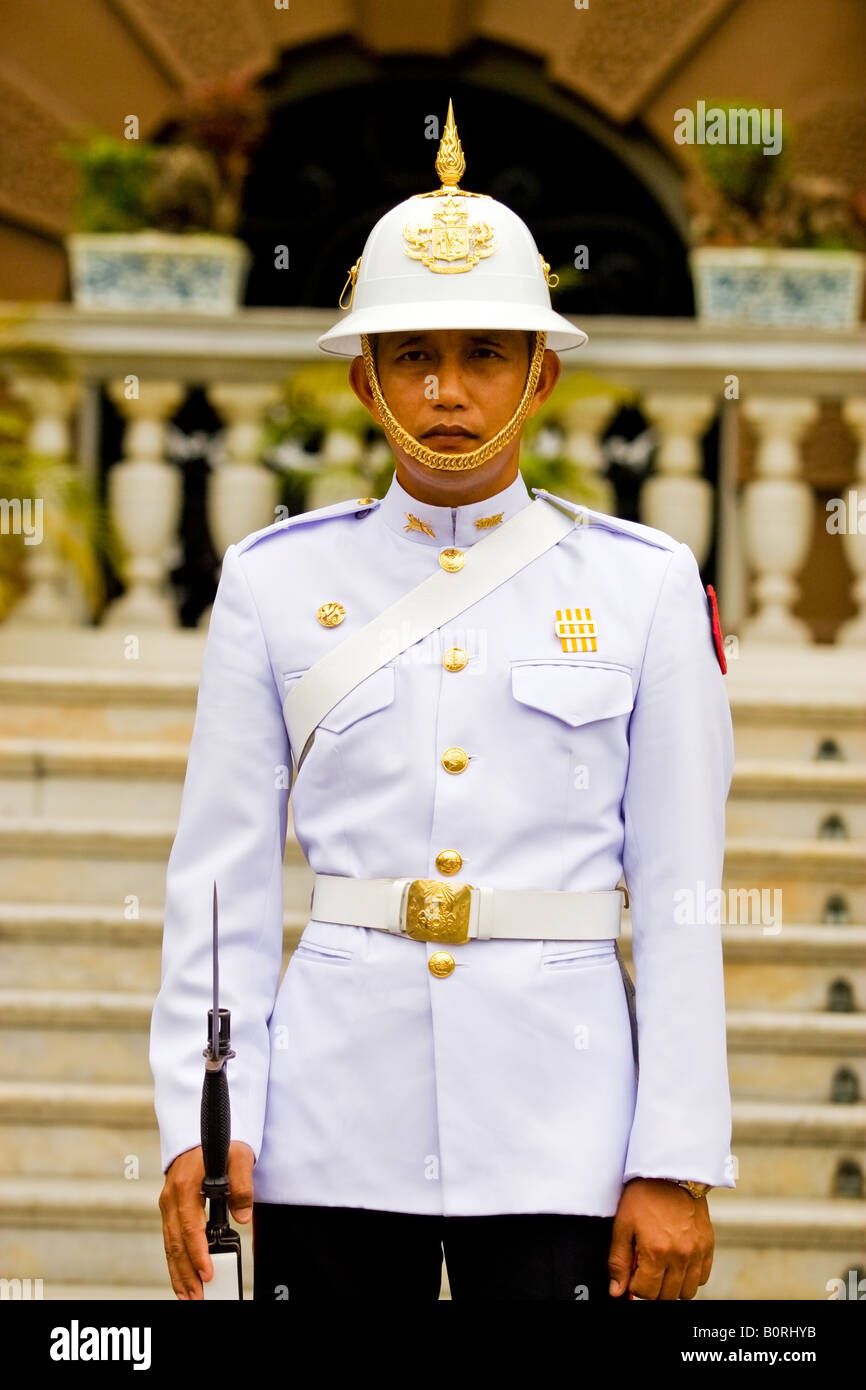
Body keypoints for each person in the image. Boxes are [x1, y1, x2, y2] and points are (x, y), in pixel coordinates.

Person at [151, 102, 735, 1302]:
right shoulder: (276, 581)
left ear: (538, 372)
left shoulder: (643, 585)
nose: (447, 391)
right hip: (328, 1126)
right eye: (414, 356)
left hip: (560, 1132)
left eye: (482, 355)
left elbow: (679, 894)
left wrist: (672, 1158)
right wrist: (202, 1117)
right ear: (366, 376)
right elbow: (221, 881)